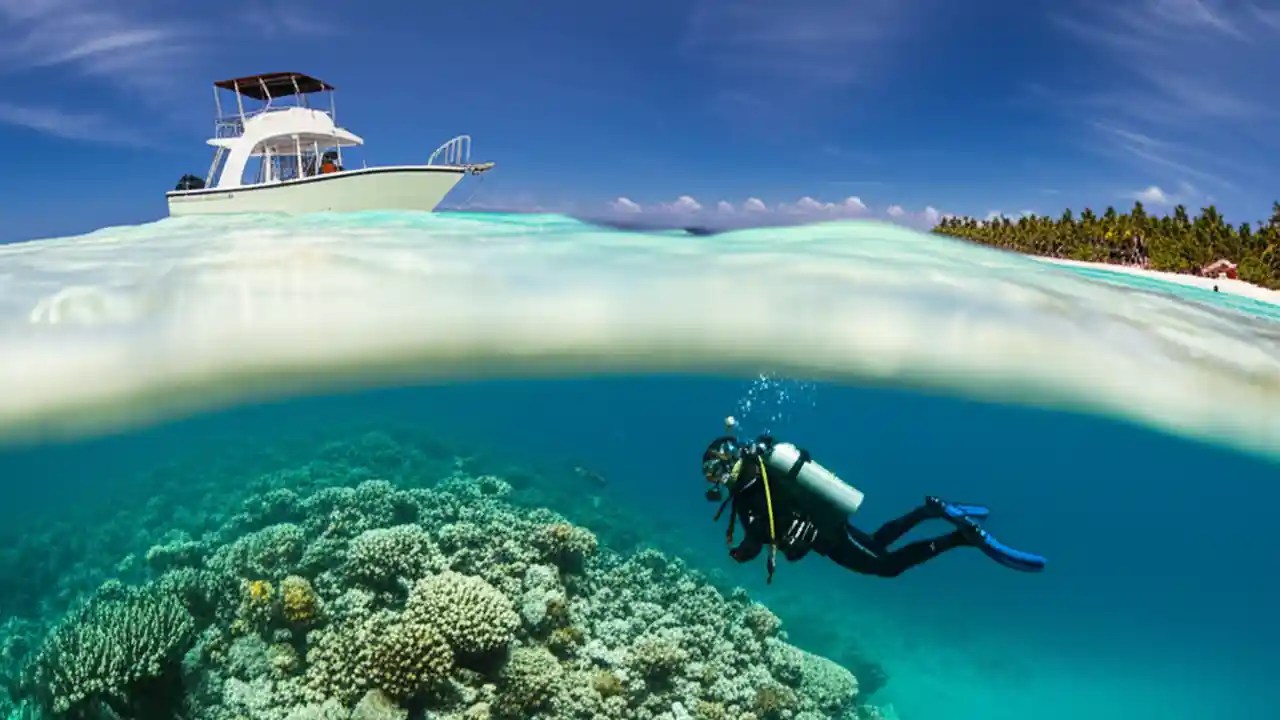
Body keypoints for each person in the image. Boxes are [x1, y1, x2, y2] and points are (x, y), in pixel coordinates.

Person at [701, 427, 1045, 583]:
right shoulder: (758, 477)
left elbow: (757, 537)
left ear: (724, 468)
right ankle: (928, 511)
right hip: (828, 524)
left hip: (828, 538)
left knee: (886, 566)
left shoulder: (748, 495)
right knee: (877, 544)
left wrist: (739, 555)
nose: (716, 481)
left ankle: (958, 538)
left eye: (714, 474)